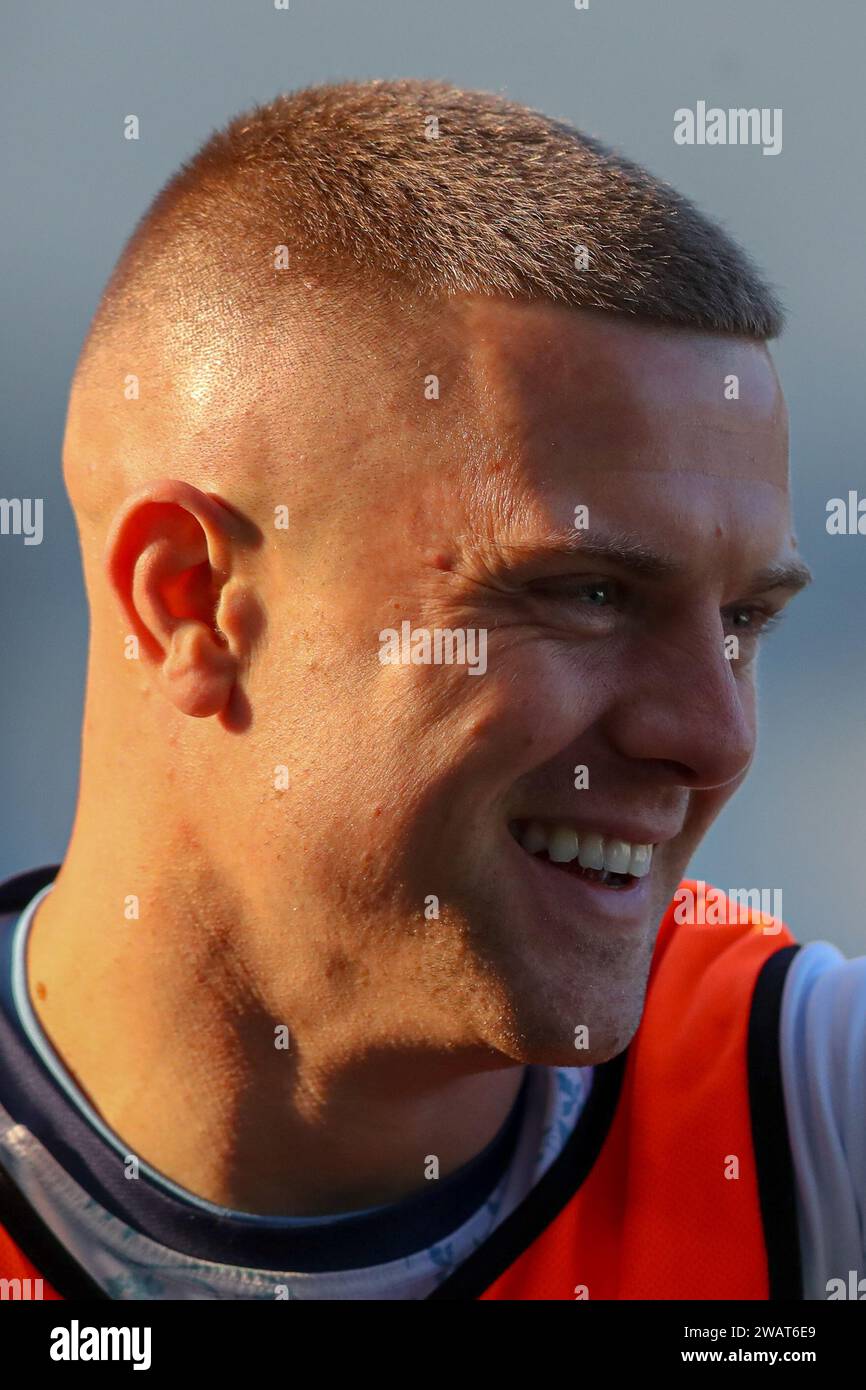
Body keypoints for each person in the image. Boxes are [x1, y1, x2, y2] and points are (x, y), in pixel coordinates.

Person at [0, 79, 862, 1302]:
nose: (708, 734)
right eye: (587, 594)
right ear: (188, 601)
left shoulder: (809, 1117)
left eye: (741, 620)